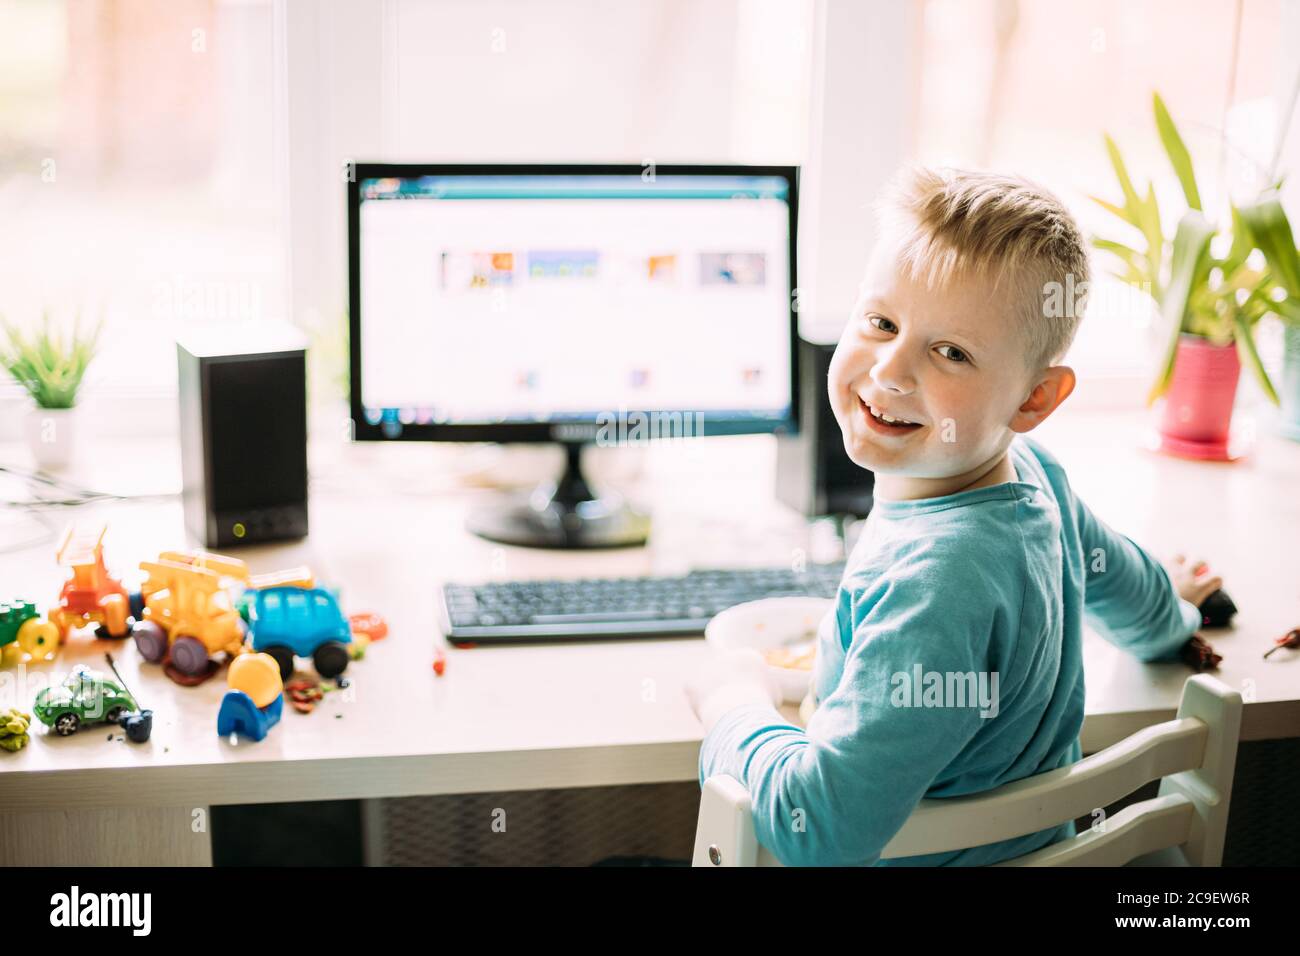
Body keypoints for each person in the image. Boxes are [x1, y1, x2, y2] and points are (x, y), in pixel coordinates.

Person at [687, 165, 1223, 866]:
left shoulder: (934, 587)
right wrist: (1176, 613)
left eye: (950, 352)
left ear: (1034, 398)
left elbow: (816, 826)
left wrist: (734, 701)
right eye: (881, 322)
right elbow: (1141, 604)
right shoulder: (1037, 476)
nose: (888, 373)